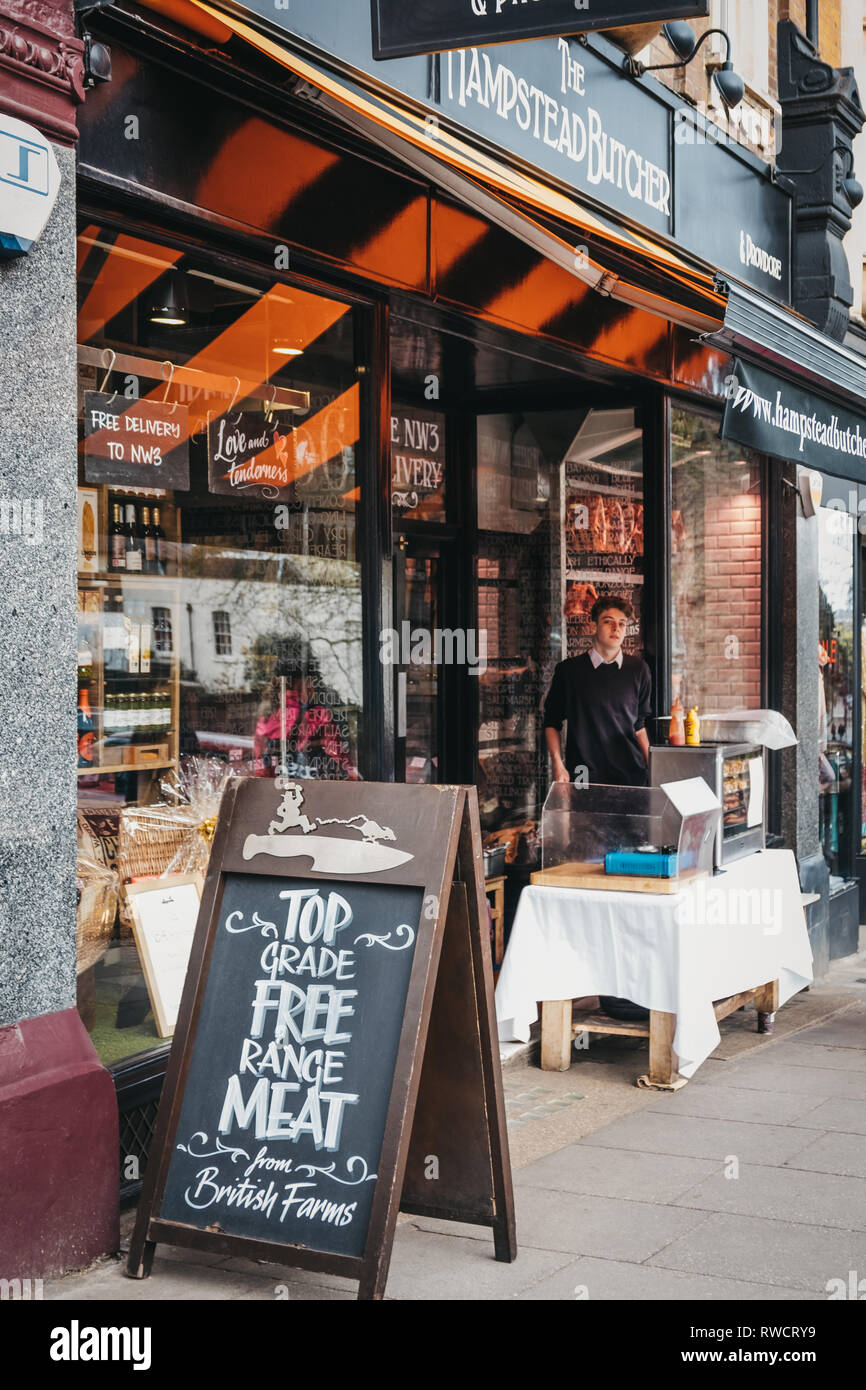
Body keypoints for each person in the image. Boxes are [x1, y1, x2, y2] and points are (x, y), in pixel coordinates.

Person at [543, 595, 651, 787]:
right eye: (608, 622)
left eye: (621, 624)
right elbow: (551, 722)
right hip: (582, 773)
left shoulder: (638, 669)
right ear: (594, 626)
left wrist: (652, 767)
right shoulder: (568, 671)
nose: (616, 628)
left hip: (630, 773)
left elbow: (639, 726)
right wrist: (558, 765)